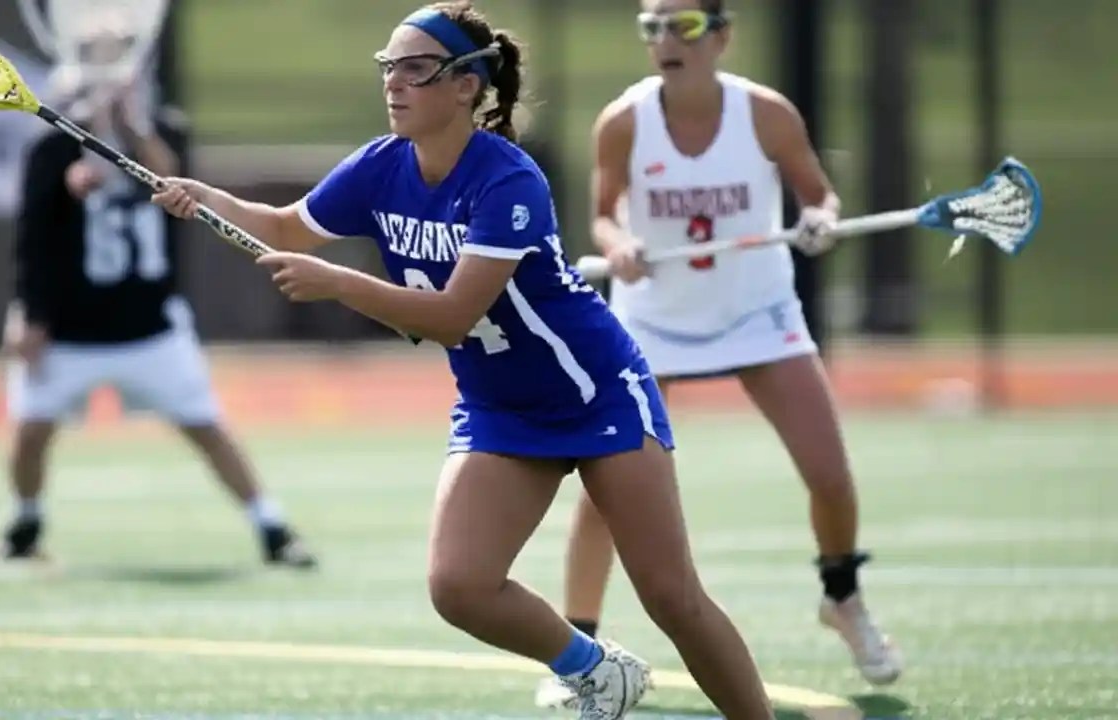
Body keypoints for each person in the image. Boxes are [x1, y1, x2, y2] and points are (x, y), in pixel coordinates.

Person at [152, 3, 776, 718]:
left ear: (465, 86)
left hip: (595, 390)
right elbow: (288, 227)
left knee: (670, 595)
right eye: (389, 67)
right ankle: (599, 671)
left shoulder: (508, 180)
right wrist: (205, 196)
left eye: (416, 69)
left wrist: (339, 284)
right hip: (500, 406)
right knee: (459, 586)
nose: (394, 83)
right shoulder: (381, 166)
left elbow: (453, 316)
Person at [534, 0, 902, 708]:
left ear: (722, 36)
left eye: (686, 26)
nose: (666, 39)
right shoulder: (624, 121)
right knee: (604, 494)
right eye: (653, 27)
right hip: (653, 321)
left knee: (829, 472)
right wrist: (620, 244)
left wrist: (819, 221)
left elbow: (818, 197)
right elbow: (604, 214)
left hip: (757, 314)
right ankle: (579, 651)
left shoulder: (765, 114)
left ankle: (842, 597)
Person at [1, 31, 315, 569]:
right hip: (68, 326)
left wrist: (128, 125)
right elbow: (32, 235)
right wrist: (27, 315)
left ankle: (272, 528)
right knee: (32, 429)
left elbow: (173, 177)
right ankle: (24, 523)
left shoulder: (162, 132)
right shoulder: (51, 147)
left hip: (148, 322)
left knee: (206, 426)